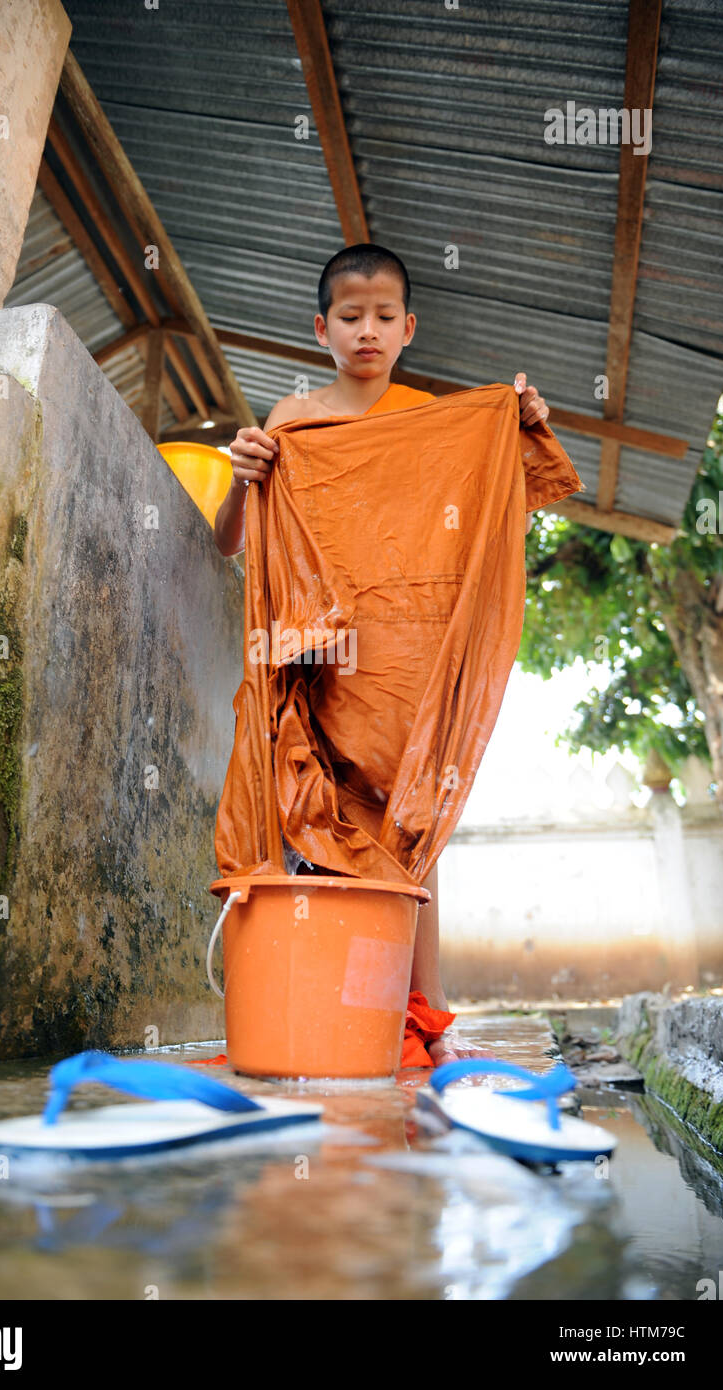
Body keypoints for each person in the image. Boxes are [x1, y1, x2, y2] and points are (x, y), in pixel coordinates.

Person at [213, 244, 551, 1065]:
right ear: (321, 327)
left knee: (411, 833)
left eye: (385, 316)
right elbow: (229, 545)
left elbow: (496, 514)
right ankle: (319, 1006)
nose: (368, 330)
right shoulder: (291, 420)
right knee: (311, 826)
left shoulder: (435, 422)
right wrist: (240, 475)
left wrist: (522, 429)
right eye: (351, 316)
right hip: (320, 666)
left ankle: (428, 1011)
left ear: (409, 328)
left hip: (405, 667)